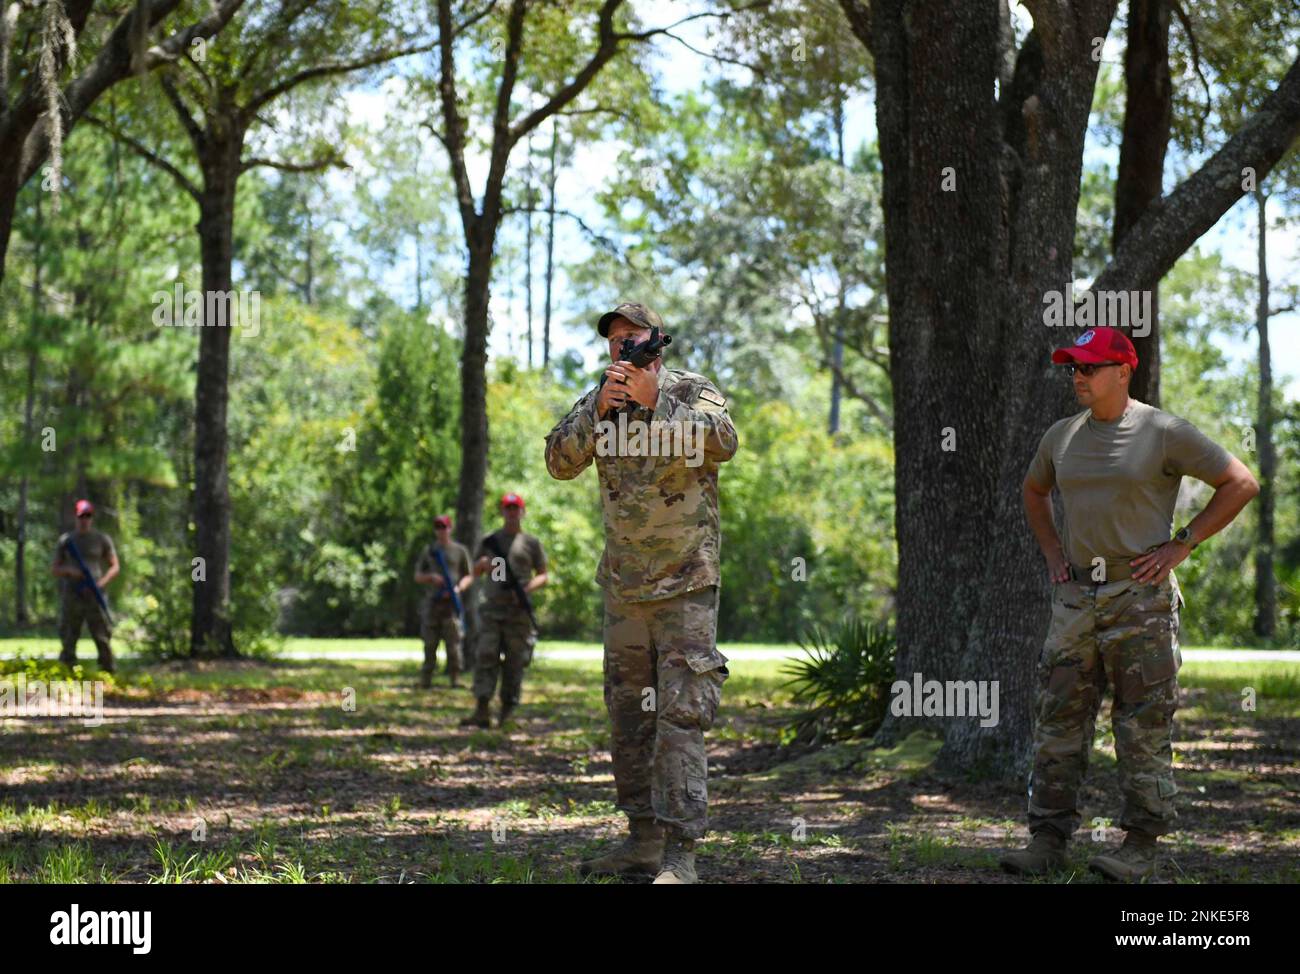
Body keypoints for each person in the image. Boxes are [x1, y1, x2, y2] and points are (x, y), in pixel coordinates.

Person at [1000, 326, 1259, 882]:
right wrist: (1051, 551)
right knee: (1059, 722)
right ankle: (1047, 842)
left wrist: (1181, 544)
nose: (1078, 377)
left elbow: (1240, 482)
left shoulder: (1162, 431)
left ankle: (1142, 846)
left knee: (1141, 725)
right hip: (1075, 599)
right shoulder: (1061, 437)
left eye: (1089, 368)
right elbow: (1033, 490)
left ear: (1123, 371)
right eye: (1074, 368)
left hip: (1140, 598)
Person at [544, 301, 738, 884]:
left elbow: (724, 442)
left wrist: (655, 404)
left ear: (656, 340)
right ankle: (641, 841)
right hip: (624, 589)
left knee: (680, 715)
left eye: (631, 336)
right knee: (629, 716)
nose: (620, 346)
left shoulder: (690, 390)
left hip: (684, 584)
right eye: (613, 338)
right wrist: (598, 411)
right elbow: (558, 461)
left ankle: (681, 855)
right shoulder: (600, 398)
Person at [458, 494, 548, 728]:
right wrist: (481, 566)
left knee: (515, 661)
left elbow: (544, 575)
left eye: (515, 508)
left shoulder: (531, 543)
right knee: (486, 654)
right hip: (492, 609)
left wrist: (525, 590)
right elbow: (473, 571)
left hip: (518, 613)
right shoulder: (489, 541)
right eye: (507, 508)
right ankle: (482, 709)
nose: (511, 513)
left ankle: (507, 711)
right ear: (502, 512)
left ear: (522, 512)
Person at [51, 499, 120, 674]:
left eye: (88, 516)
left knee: (102, 634)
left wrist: (101, 583)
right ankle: (67, 671)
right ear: (76, 516)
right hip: (73, 594)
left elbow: (115, 566)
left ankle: (107, 671)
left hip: (95, 594)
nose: (85, 519)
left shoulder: (101, 539)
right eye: (82, 516)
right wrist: (72, 571)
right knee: (68, 634)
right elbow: (55, 568)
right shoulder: (66, 540)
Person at [414, 515, 473, 688]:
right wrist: (431, 577)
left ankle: (455, 679)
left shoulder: (460, 551)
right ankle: (426, 679)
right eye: (438, 527)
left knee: (453, 645)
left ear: (450, 528)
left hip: (451, 605)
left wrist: (458, 589)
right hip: (433, 604)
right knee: (430, 643)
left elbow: (469, 575)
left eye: (444, 527)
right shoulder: (429, 551)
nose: (441, 531)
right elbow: (417, 576)